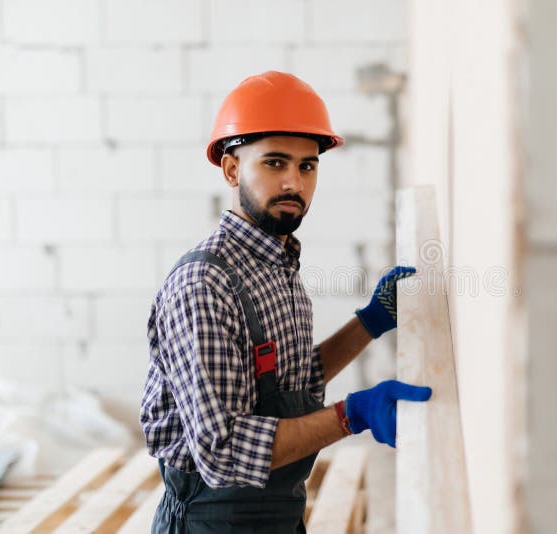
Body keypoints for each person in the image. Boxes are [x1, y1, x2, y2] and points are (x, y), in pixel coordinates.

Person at [139, 71, 432, 533]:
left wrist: (371, 322)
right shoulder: (205, 284)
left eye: (307, 166)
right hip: (213, 522)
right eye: (275, 163)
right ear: (232, 169)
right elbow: (222, 451)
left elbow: (291, 383)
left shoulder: (278, 265)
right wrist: (350, 416)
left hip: (278, 515)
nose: (294, 182)